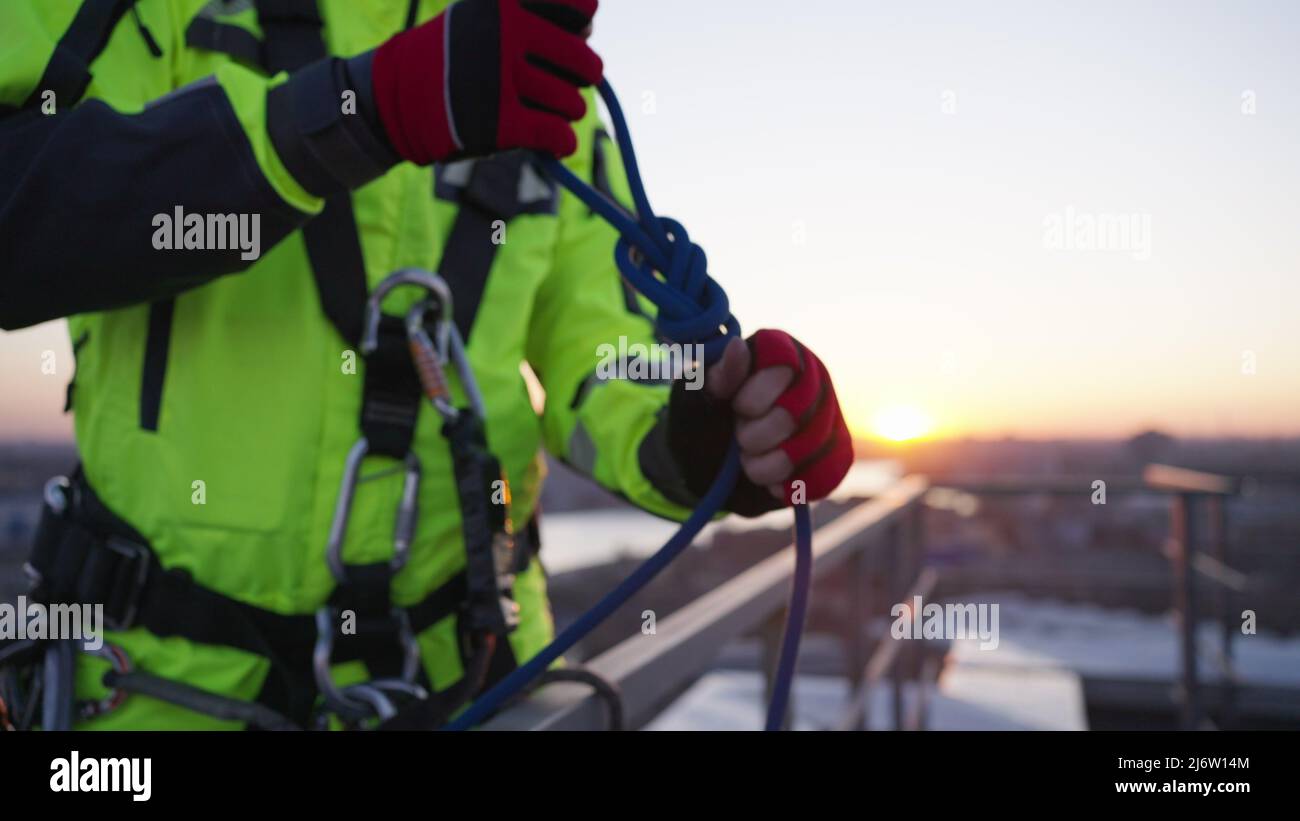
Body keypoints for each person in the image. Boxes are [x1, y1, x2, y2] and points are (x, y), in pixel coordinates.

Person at [0, 0, 853, 729]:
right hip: (152, 694)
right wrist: (348, 116)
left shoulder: (543, 87)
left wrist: (695, 439)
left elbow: (602, 358)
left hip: (479, 680)